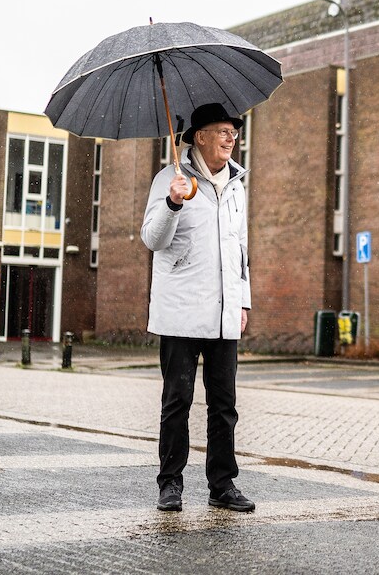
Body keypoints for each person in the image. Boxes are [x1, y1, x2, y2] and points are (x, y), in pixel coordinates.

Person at [140, 102, 254, 513]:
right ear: (199, 137)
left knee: (224, 405)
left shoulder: (237, 186)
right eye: (222, 130)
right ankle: (170, 484)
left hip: (224, 312)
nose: (230, 137)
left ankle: (222, 485)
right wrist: (173, 203)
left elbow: (240, 251)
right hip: (181, 311)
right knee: (178, 402)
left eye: (234, 131)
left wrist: (243, 301)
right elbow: (152, 240)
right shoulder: (169, 180)